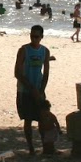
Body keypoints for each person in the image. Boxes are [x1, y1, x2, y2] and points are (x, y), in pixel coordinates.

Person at [14, 25, 58, 154]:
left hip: (39, 89)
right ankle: (31, 148)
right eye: (32, 36)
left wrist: (41, 90)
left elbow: (46, 73)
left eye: (36, 36)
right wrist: (30, 88)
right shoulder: (23, 50)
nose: (34, 39)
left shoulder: (45, 51)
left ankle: (46, 147)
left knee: (43, 118)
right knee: (28, 119)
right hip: (25, 90)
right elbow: (17, 72)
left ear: (41, 37)